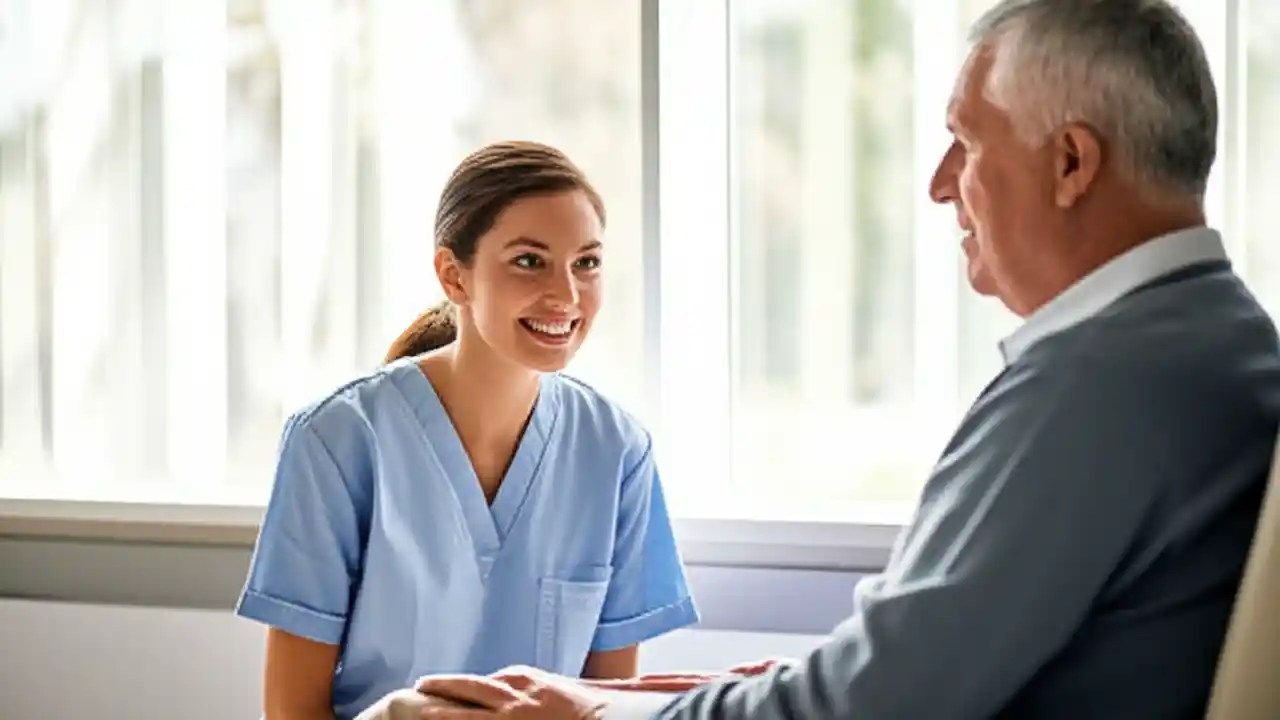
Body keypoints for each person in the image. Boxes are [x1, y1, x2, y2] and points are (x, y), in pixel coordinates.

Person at [404, 1, 1280, 718]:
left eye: (967, 142)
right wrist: (637, 700)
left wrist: (596, 717)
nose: (940, 183)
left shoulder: (1092, 390)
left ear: (1071, 163)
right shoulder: (1223, 345)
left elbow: (874, 705)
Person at [234, 140, 700, 720]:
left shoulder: (616, 453)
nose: (566, 294)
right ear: (454, 277)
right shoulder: (336, 442)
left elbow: (604, 708)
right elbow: (291, 712)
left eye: (586, 263)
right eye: (529, 261)